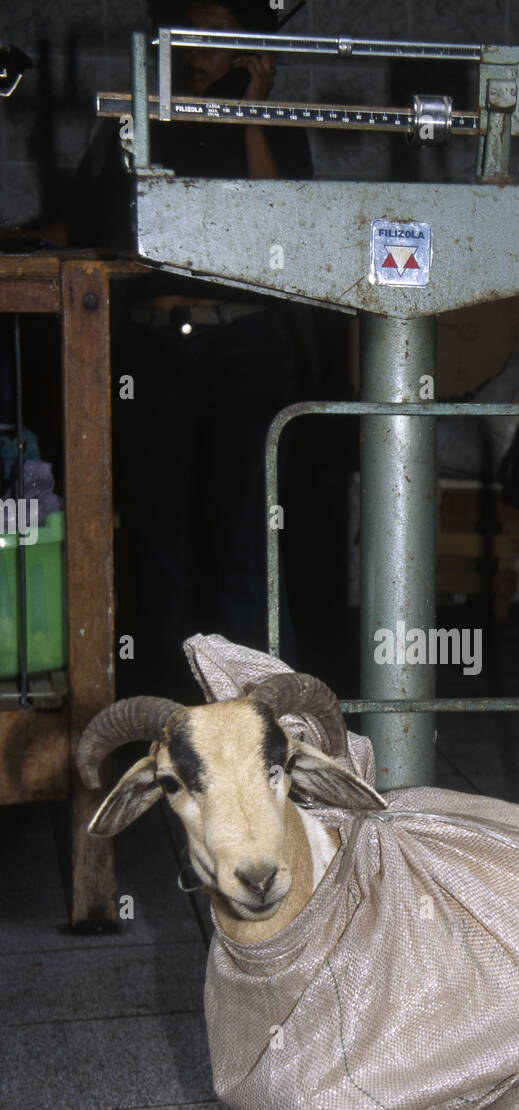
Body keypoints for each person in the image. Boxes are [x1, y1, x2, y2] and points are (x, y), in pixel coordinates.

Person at [70, 0, 312, 699]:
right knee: (159, 541)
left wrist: (256, 106)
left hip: (246, 339)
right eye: (191, 35)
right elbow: (97, 212)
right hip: (152, 348)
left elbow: (281, 223)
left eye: (220, 38)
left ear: (247, 49)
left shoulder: (271, 117)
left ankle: (275, 717)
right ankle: (168, 718)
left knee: (251, 540)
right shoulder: (139, 113)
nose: (201, 51)